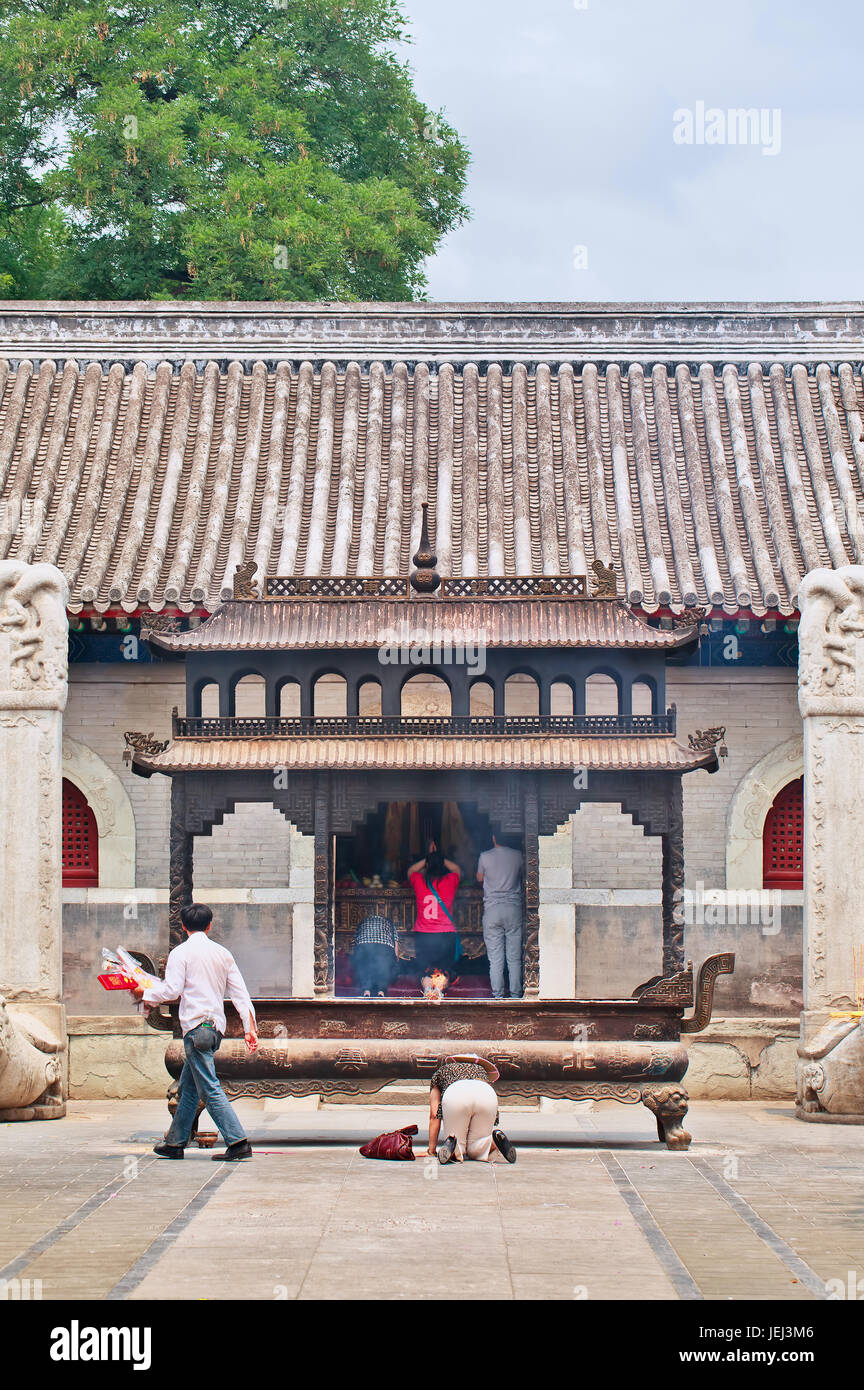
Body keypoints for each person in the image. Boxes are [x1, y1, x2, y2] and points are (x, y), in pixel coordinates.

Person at [133, 902, 258, 1161]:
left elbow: (171, 991)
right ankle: (175, 1142)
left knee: (209, 1088)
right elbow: (239, 994)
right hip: (214, 1030)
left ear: (183, 926)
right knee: (189, 1088)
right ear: (210, 925)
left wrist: (143, 993)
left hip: (195, 1027)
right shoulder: (223, 953)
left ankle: (238, 1142)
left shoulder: (181, 953)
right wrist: (249, 1028)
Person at [426, 1053, 517, 1164]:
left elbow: (434, 1115)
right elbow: (493, 1116)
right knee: (478, 1143)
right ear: (476, 1061)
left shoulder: (442, 1071)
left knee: (458, 1143)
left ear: (454, 1061)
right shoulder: (482, 1071)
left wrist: (431, 1150)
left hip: (457, 1092)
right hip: (486, 1093)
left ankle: (454, 1145)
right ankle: (491, 1142)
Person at [476, 833, 524, 999]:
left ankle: (498, 995)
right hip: (513, 909)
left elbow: (479, 878)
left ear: (494, 837)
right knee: (514, 958)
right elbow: (524, 875)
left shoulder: (485, 856)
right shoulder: (518, 855)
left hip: (492, 910)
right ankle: (516, 995)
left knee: (495, 959)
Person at [407, 840, 461, 984]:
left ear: (427, 866)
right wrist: (439, 858)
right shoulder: (450, 880)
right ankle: (439, 990)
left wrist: (428, 858)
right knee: (443, 971)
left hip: (423, 935)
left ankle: (427, 991)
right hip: (445, 934)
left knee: (426, 969)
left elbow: (411, 871)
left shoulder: (418, 881)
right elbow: (456, 869)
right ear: (443, 866)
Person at [352, 912, 400, 997]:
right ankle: (381, 991)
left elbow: (355, 942)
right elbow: (395, 941)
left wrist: (357, 958)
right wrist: (395, 959)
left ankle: (366, 991)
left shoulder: (363, 921)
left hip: (363, 944)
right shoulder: (389, 922)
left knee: (364, 966)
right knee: (384, 967)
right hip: (384, 946)